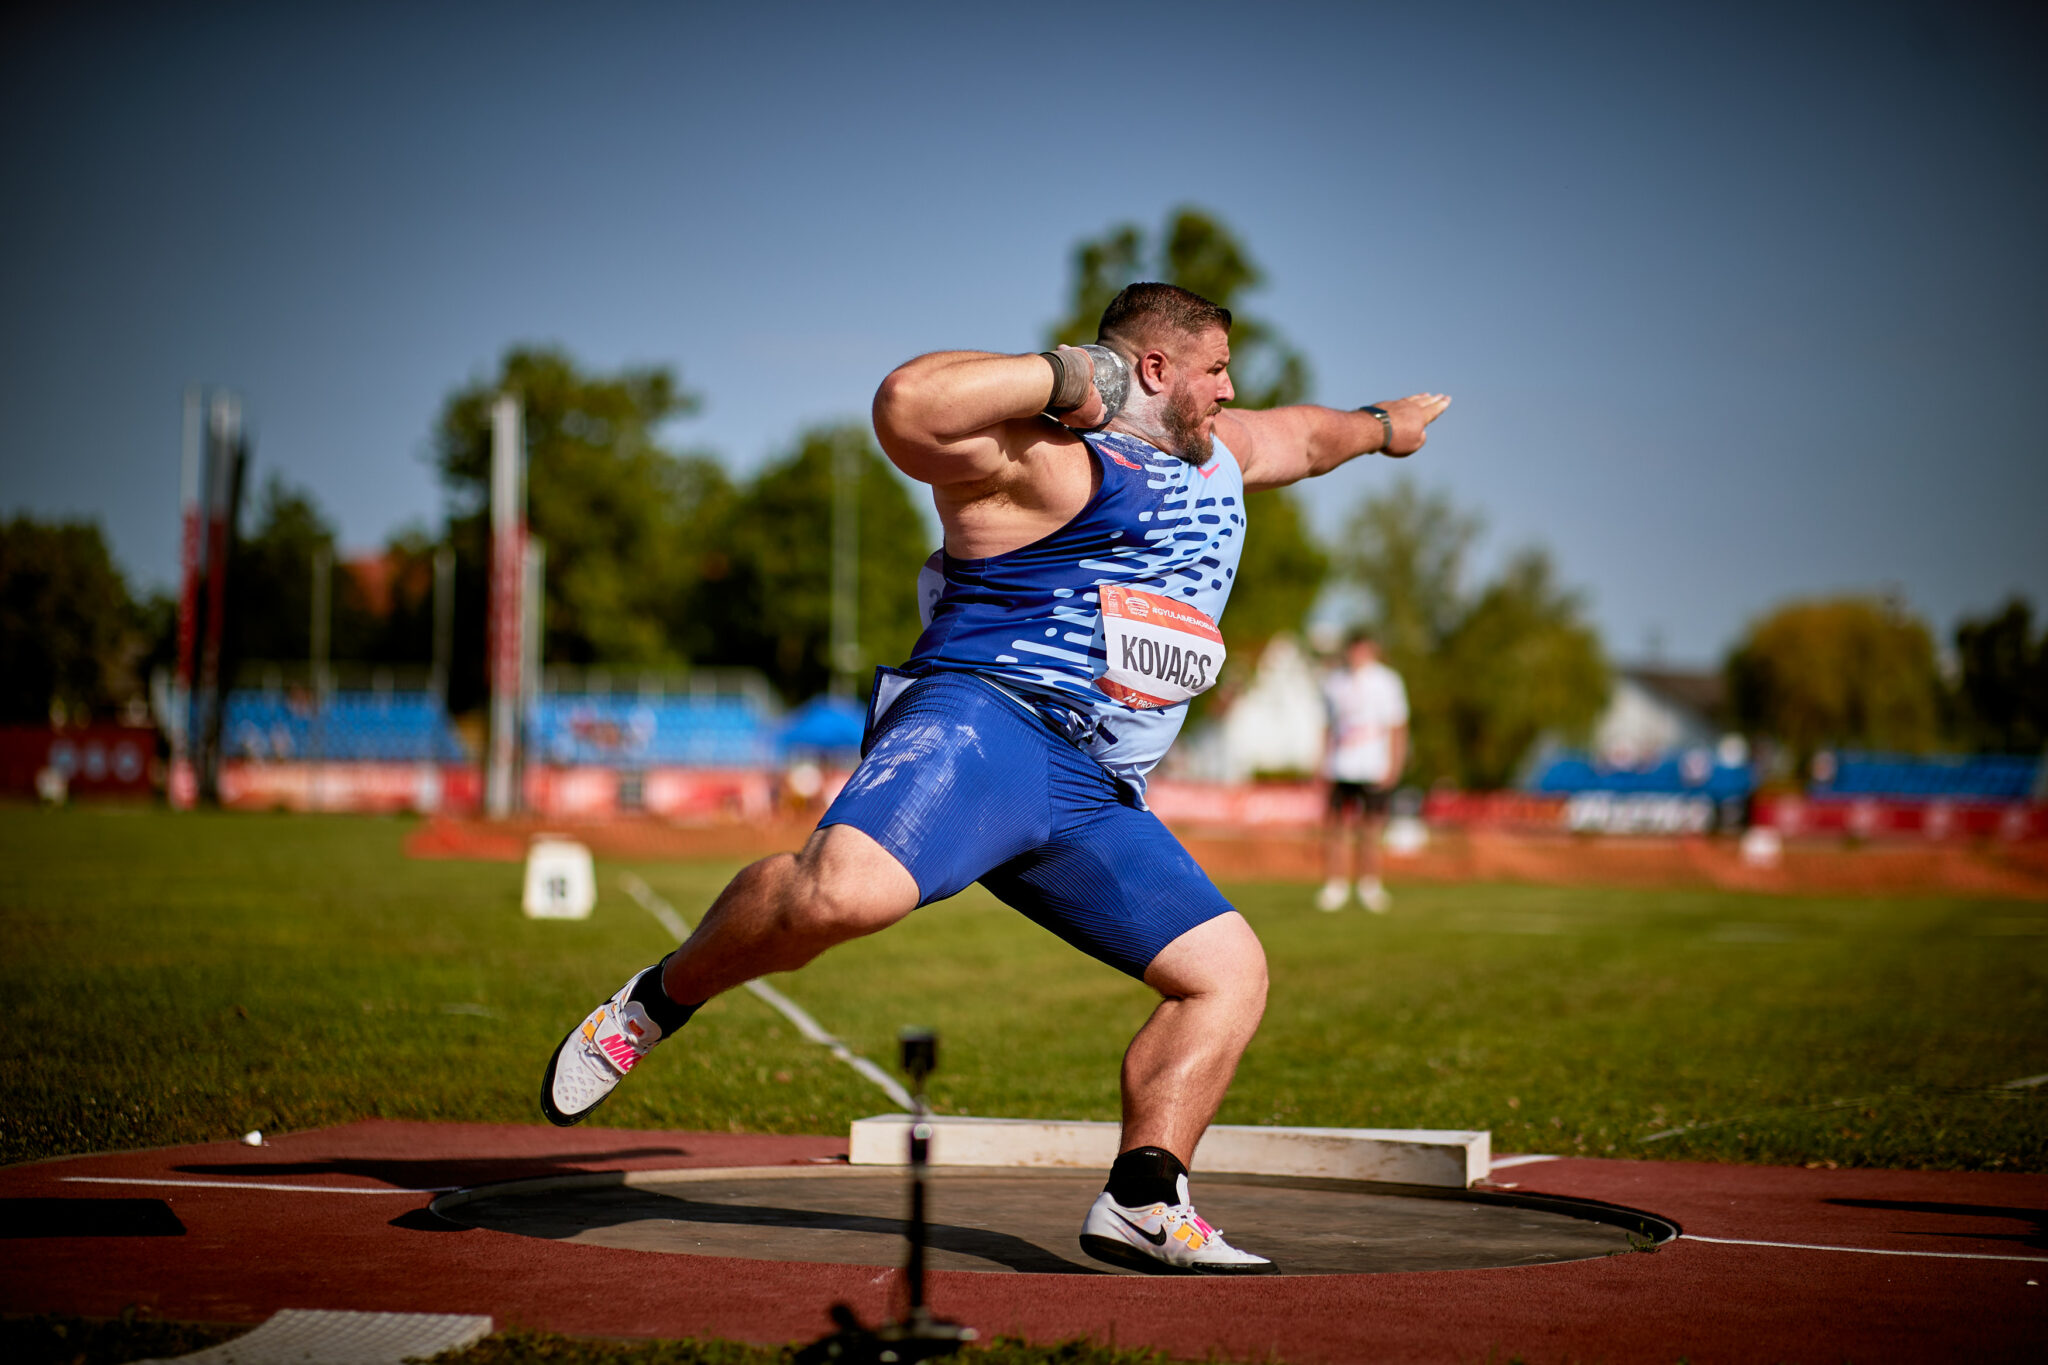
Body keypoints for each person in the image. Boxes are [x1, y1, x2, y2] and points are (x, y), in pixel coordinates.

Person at [539, 282, 1450, 1275]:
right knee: (839, 898)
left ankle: (1145, 1198)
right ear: (1154, 369)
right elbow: (906, 406)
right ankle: (657, 1000)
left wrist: (1380, 428)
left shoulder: (1222, 454)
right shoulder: (1052, 465)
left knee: (1226, 975)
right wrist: (1067, 375)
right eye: (1217, 368)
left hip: (1093, 789)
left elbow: (1307, 439)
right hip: (988, 725)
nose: (1231, 390)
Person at [1317, 629, 1410, 912]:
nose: (1356, 655)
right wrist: (1321, 763)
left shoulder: (1388, 681)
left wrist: (1394, 765)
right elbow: (1327, 726)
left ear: (1372, 650)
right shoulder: (1334, 682)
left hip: (1374, 767)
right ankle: (1336, 886)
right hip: (1341, 766)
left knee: (1371, 829)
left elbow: (1397, 726)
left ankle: (1370, 885)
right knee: (1338, 828)